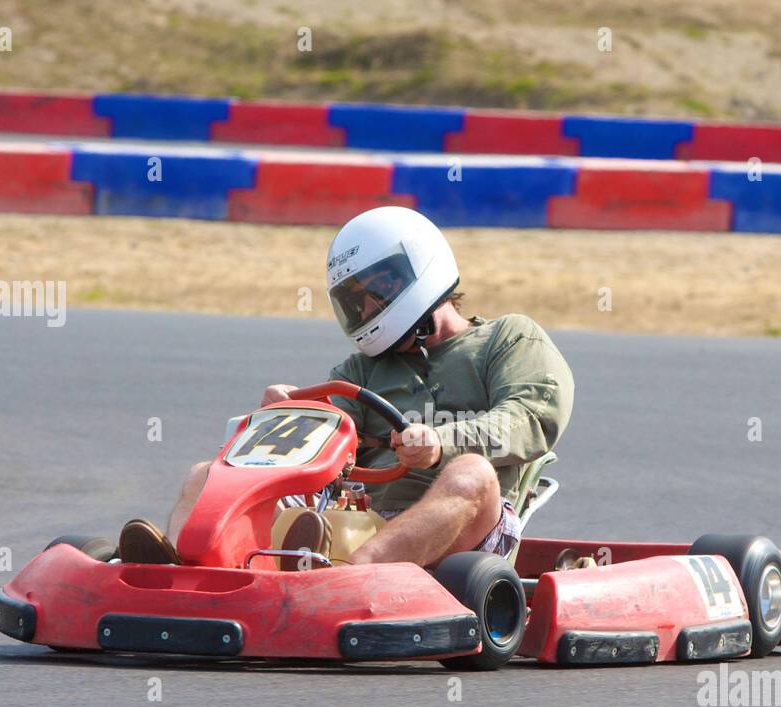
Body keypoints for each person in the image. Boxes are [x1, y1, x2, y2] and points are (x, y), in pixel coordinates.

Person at [118, 206, 574, 568]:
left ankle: (350, 574)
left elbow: (531, 419)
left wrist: (441, 442)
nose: (370, 306)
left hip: (467, 533)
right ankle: (188, 566)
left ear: (422, 269)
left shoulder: (508, 337)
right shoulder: (361, 369)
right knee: (206, 473)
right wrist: (288, 414)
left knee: (471, 471)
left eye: (381, 288)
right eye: (358, 299)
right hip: (360, 514)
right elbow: (326, 440)